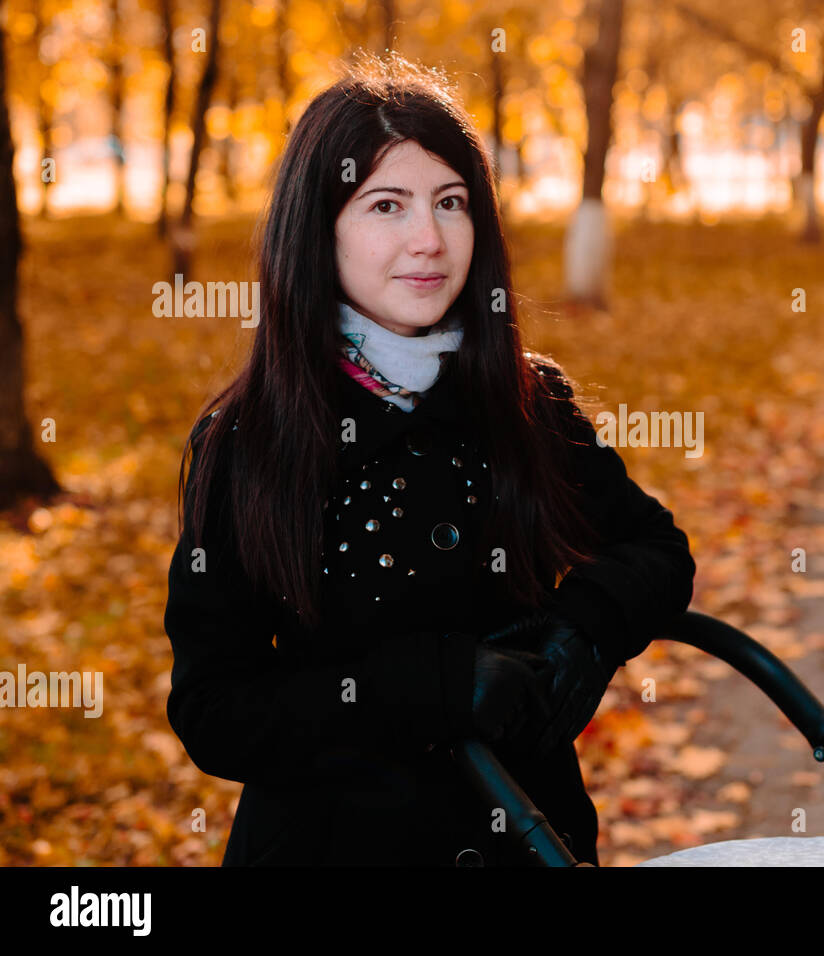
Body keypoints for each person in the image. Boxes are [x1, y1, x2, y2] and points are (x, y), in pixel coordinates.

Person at [163, 51, 696, 867]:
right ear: (318, 230)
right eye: (387, 205)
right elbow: (215, 709)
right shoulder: (250, 439)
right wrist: (428, 686)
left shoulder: (524, 399)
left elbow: (656, 550)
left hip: (530, 837)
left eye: (451, 203)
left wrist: (578, 636)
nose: (429, 239)